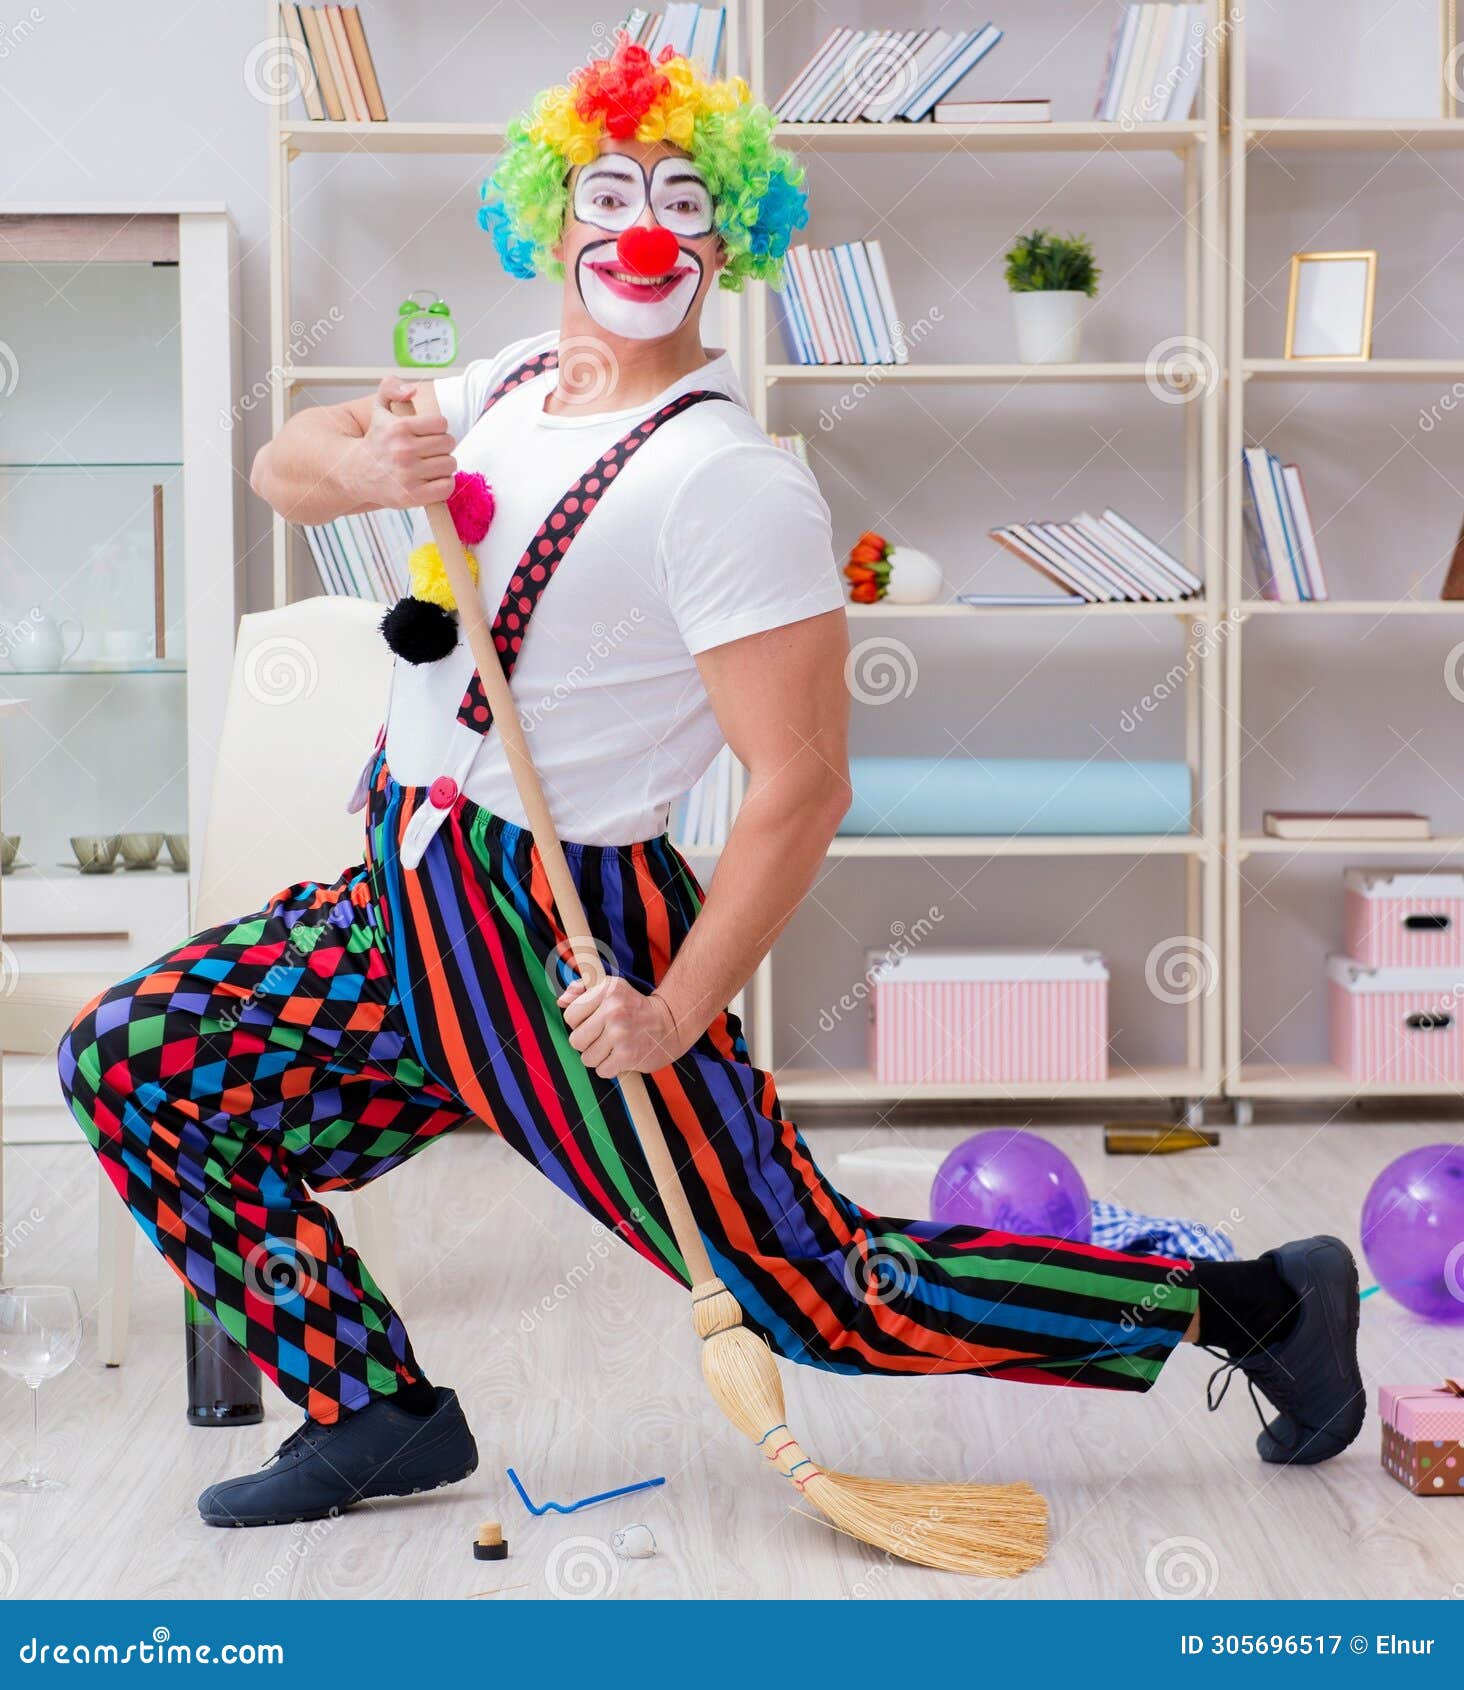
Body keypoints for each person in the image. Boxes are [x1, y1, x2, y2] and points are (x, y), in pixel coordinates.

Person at [58, 36, 1363, 1530]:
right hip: (400, 896)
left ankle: (1257, 1306)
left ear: (726, 234)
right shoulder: (510, 383)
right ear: (550, 215)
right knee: (136, 1064)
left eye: (683, 199)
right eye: (610, 190)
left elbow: (800, 786)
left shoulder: (729, 479)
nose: (643, 228)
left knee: (821, 1291)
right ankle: (374, 1407)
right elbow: (287, 462)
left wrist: (673, 1007)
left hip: (564, 939)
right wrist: (370, 464)